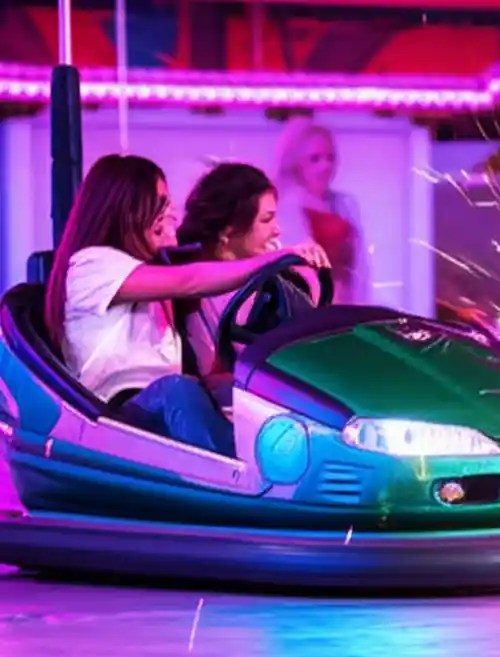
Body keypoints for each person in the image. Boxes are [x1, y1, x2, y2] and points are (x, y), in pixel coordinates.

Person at [45, 154, 329, 457]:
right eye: (160, 204)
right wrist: (273, 259)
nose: (171, 215)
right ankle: (239, 486)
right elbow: (189, 280)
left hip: (156, 410)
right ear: (127, 209)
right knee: (178, 390)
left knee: (247, 393)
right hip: (115, 417)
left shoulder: (147, 270)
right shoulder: (91, 265)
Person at [174, 162, 285, 402]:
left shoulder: (273, 279)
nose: (277, 231)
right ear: (229, 229)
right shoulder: (192, 283)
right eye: (266, 220)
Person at [274, 117, 363, 303]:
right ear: (298, 163)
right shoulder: (286, 208)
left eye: (330, 158)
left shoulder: (345, 204)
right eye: (315, 159)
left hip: (345, 304)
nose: (325, 166)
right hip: (310, 306)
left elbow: (359, 269)